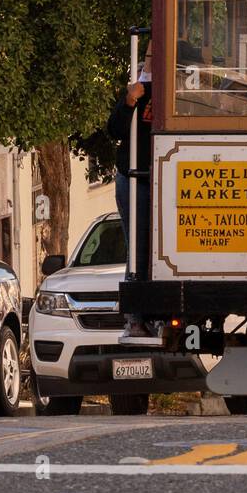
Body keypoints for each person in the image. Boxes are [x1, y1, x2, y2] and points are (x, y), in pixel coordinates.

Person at [108, 40, 153, 336]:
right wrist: (129, 101)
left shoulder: (179, 95)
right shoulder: (137, 92)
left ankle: (153, 312)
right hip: (134, 177)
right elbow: (114, 130)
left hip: (163, 175)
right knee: (137, 246)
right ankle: (134, 317)